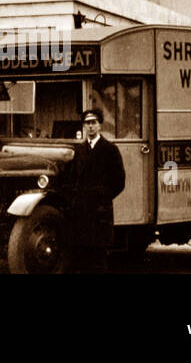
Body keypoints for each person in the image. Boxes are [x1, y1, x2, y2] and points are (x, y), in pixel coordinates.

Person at [65, 108, 127, 272]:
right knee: (80, 258)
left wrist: (103, 198)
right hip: (80, 213)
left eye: (94, 123)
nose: (90, 126)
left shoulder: (110, 149)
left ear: (100, 125)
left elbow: (119, 181)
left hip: (99, 212)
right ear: (84, 126)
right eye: (87, 123)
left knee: (98, 260)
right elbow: (72, 178)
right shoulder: (79, 150)